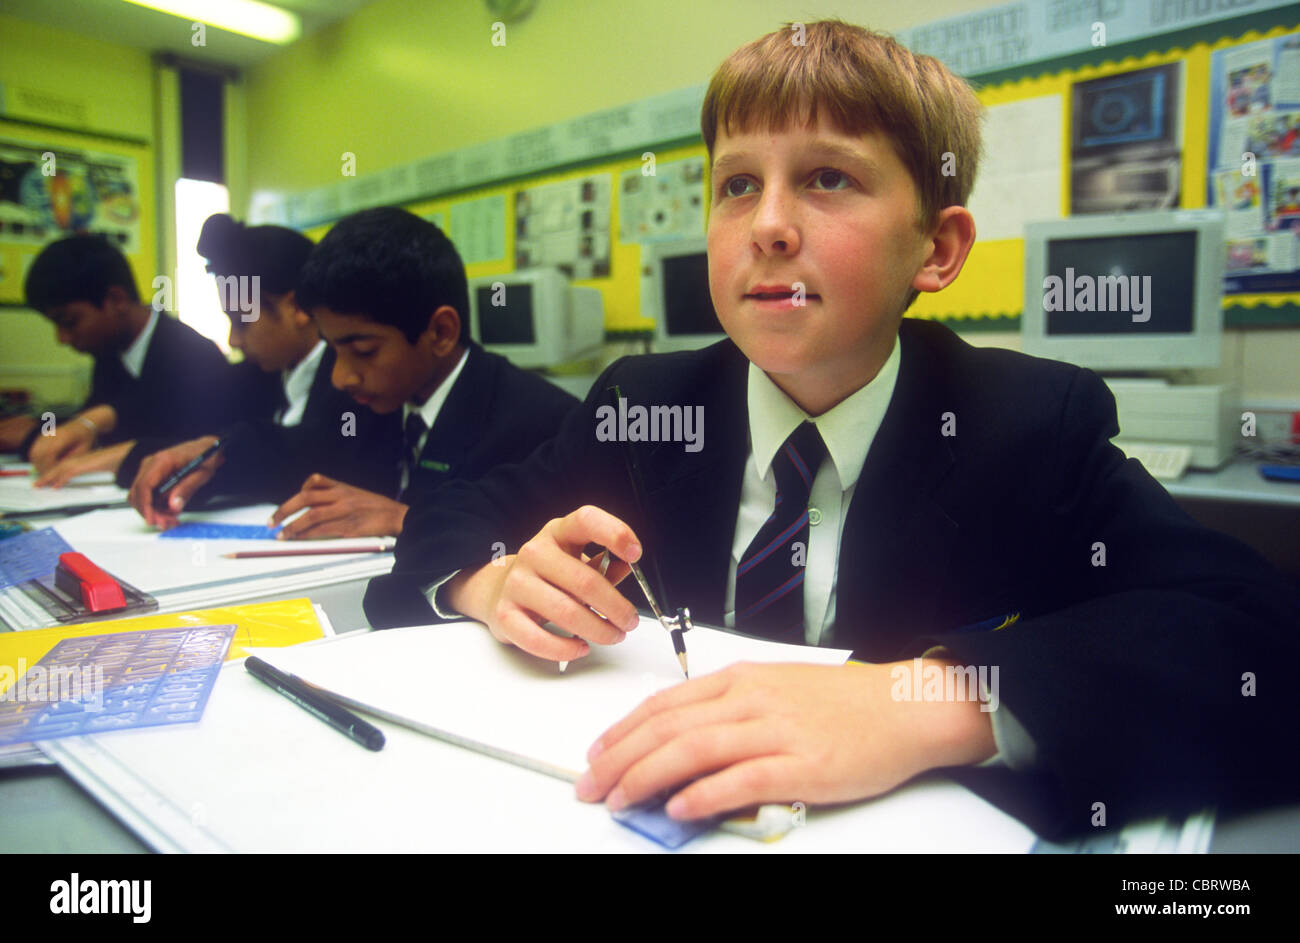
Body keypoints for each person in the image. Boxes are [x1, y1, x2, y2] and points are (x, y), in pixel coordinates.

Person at [369, 20, 1300, 839]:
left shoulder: (1027, 425)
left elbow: (1255, 633)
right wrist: (491, 579)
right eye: (736, 184)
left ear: (935, 250)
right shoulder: (646, 406)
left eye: (826, 178)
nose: (767, 224)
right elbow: (450, 515)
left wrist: (931, 697)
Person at [131, 207, 579, 542]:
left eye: (362, 350)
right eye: (332, 349)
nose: (341, 377)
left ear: (440, 332)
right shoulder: (374, 401)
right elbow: (297, 451)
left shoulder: (540, 425)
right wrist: (213, 453)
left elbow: (555, 543)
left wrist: (404, 517)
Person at [123, 214, 396, 511]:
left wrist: (223, 451)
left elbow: (314, 452)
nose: (233, 340)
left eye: (242, 321)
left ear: (296, 307)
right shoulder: (262, 373)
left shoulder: (353, 376)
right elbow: (190, 427)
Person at [16, 234, 238, 487]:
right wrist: (45, 431)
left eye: (69, 322)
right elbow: (92, 429)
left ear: (116, 300)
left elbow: (191, 443)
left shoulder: (194, 354)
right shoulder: (108, 353)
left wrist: (97, 423)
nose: (62, 338)